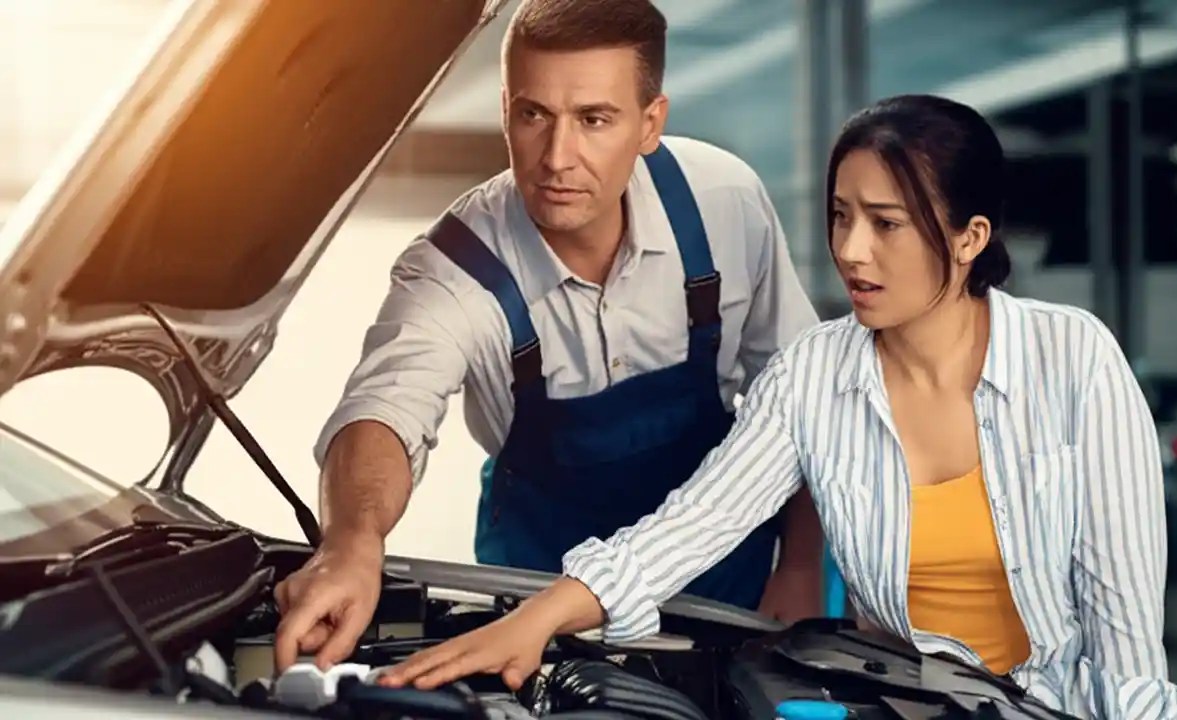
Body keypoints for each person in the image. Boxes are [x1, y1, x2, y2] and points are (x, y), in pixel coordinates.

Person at [374, 94, 1177, 720]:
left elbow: (1124, 635)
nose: (850, 251)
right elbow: (685, 529)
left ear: (970, 237)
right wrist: (537, 620)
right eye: (841, 216)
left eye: (886, 224)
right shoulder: (813, 376)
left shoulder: (1074, 359)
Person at [272, 0, 824, 672]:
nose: (557, 157)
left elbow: (801, 397)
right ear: (506, 109)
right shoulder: (453, 270)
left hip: (730, 587)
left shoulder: (724, 202)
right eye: (534, 115)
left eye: (594, 119)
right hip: (537, 609)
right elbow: (385, 408)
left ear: (651, 124)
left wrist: (799, 565)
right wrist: (352, 543)